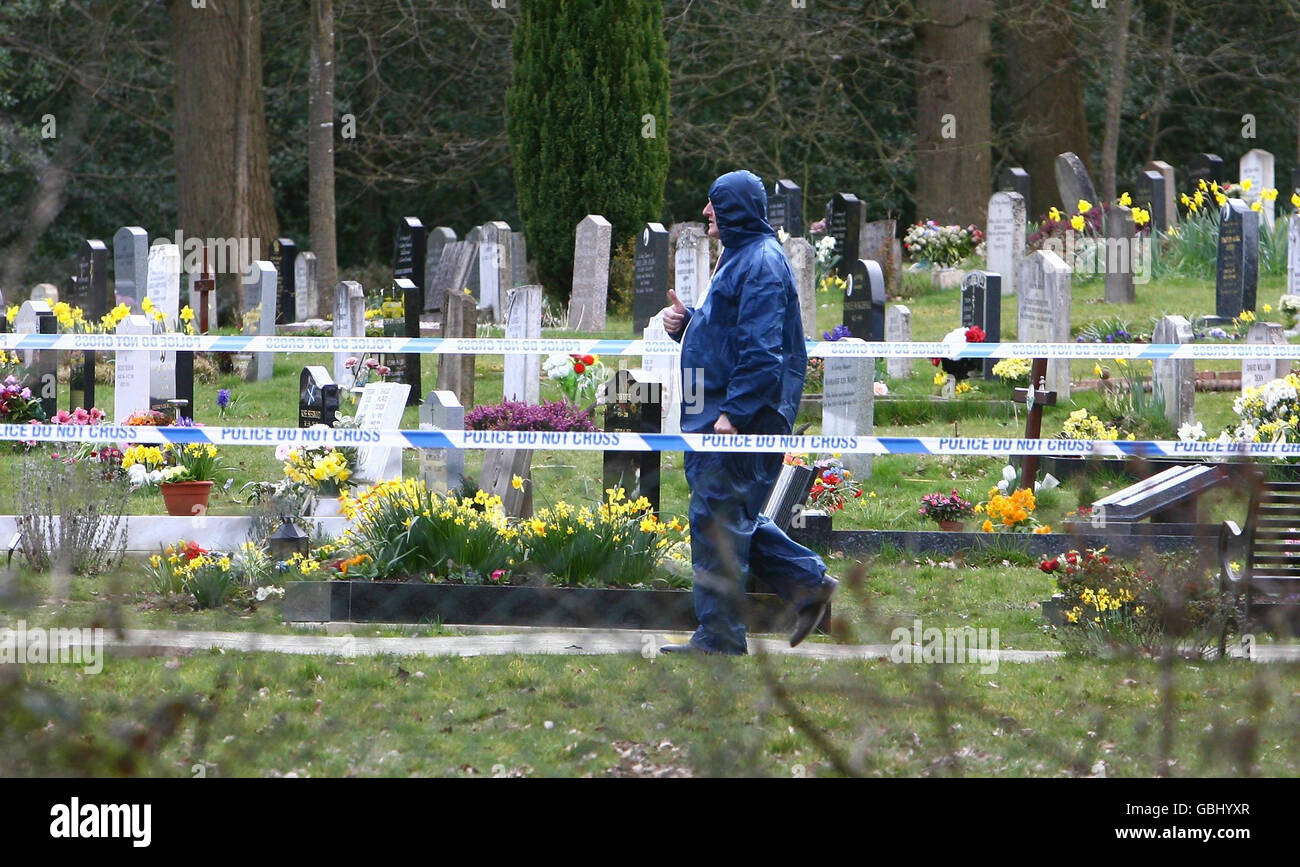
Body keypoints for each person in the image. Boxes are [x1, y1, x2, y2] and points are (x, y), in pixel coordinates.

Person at [658, 170, 838, 656]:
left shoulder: (758, 262)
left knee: (718, 516)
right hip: (721, 413)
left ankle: (719, 637)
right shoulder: (742, 257)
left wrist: (733, 414)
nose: (705, 212)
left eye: (713, 202)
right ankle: (808, 584)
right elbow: (733, 338)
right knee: (727, 513)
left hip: (740, 420)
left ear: (733, 207)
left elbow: (762, 353)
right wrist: (689, 326)